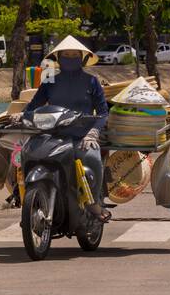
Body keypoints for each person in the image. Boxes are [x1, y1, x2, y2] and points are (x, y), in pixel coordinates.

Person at [21, 35, 110, 219]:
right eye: (66, 55)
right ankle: (23, 193)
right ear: (58, 59)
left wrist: (93, 133)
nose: (70, 58)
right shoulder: (49, 80)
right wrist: (21, 115)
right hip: (53, 136)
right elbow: (34, 107)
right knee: (28, 153)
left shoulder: (91, 81)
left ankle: (93, 204)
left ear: (83, 58)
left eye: (74, 55)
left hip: (81, 137)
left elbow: (103, 113)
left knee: (92, 159)